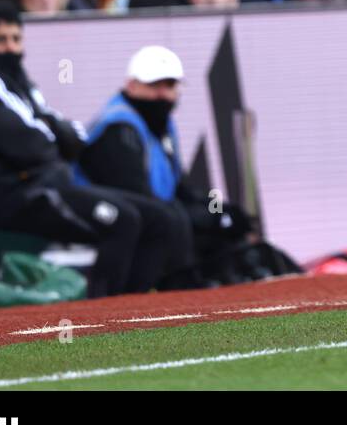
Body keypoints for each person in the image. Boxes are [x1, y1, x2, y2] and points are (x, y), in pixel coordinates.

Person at [0, 0, 190, 297]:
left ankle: (136, 307)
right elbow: (31, 144)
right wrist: (54, 136)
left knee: (158, 219)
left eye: (16, 38)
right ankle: (103, 312)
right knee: (123, 220)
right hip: (15, 197)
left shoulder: (17, 79)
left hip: (45, 186)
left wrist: (53, 135)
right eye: (0, 40)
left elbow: (70, 136)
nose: (10, 48)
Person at [76, 45, 251, 279]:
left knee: (224, 224)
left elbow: (182, 187)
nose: (162, 94)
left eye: (169, 85)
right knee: (174, 220)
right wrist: (205, 218)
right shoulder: (118, 129)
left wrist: (220, 211)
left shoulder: (161, 125)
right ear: (131, 85)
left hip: (158, 216)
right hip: (110, 222)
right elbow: (138, 197)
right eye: (153, 85)